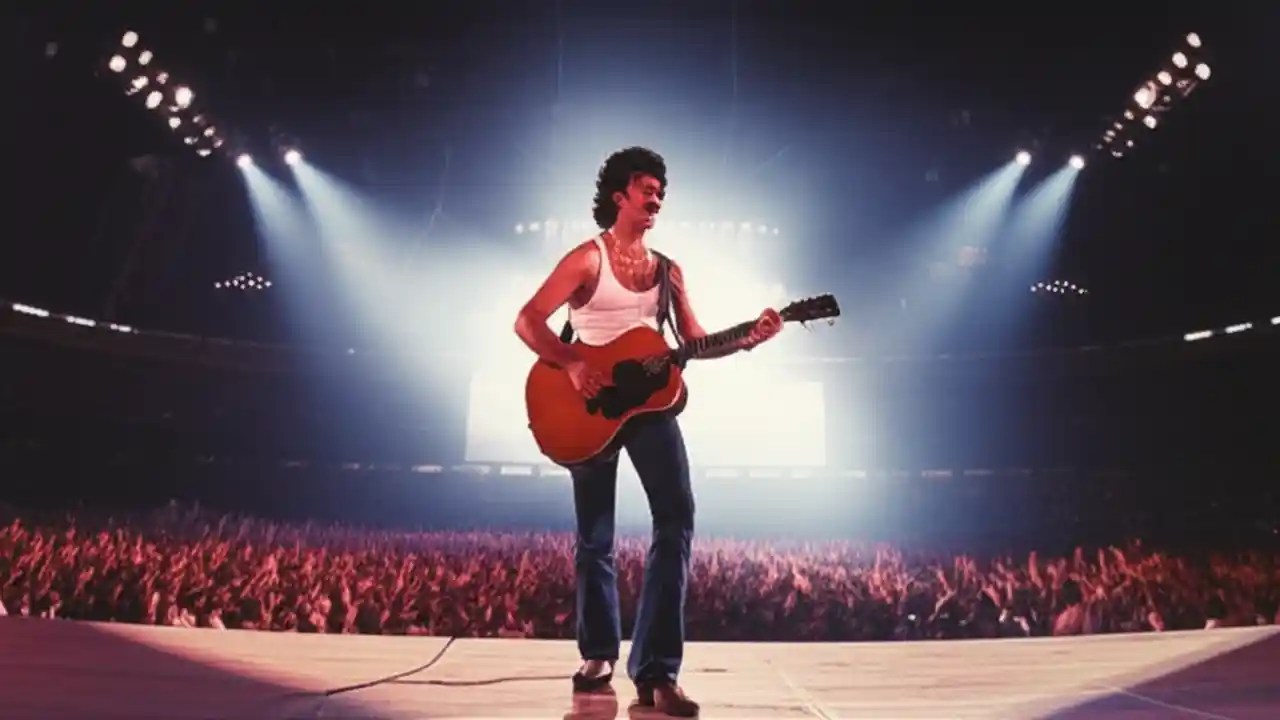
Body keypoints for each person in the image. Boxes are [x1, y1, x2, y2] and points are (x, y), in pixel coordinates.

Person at [514, 147, 781, 716]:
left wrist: (748, 337)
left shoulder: (667, 271)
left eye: (661, 190)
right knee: (595, 537)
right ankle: (597, 655)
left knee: (677, 515)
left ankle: (658, 671)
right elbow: (527, 321)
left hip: (650, 406)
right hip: (587, 405)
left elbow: (695, 340)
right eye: (646, 189)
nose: (657, 198)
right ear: (619, 196)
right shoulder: (586, 260)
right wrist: (573, 363)